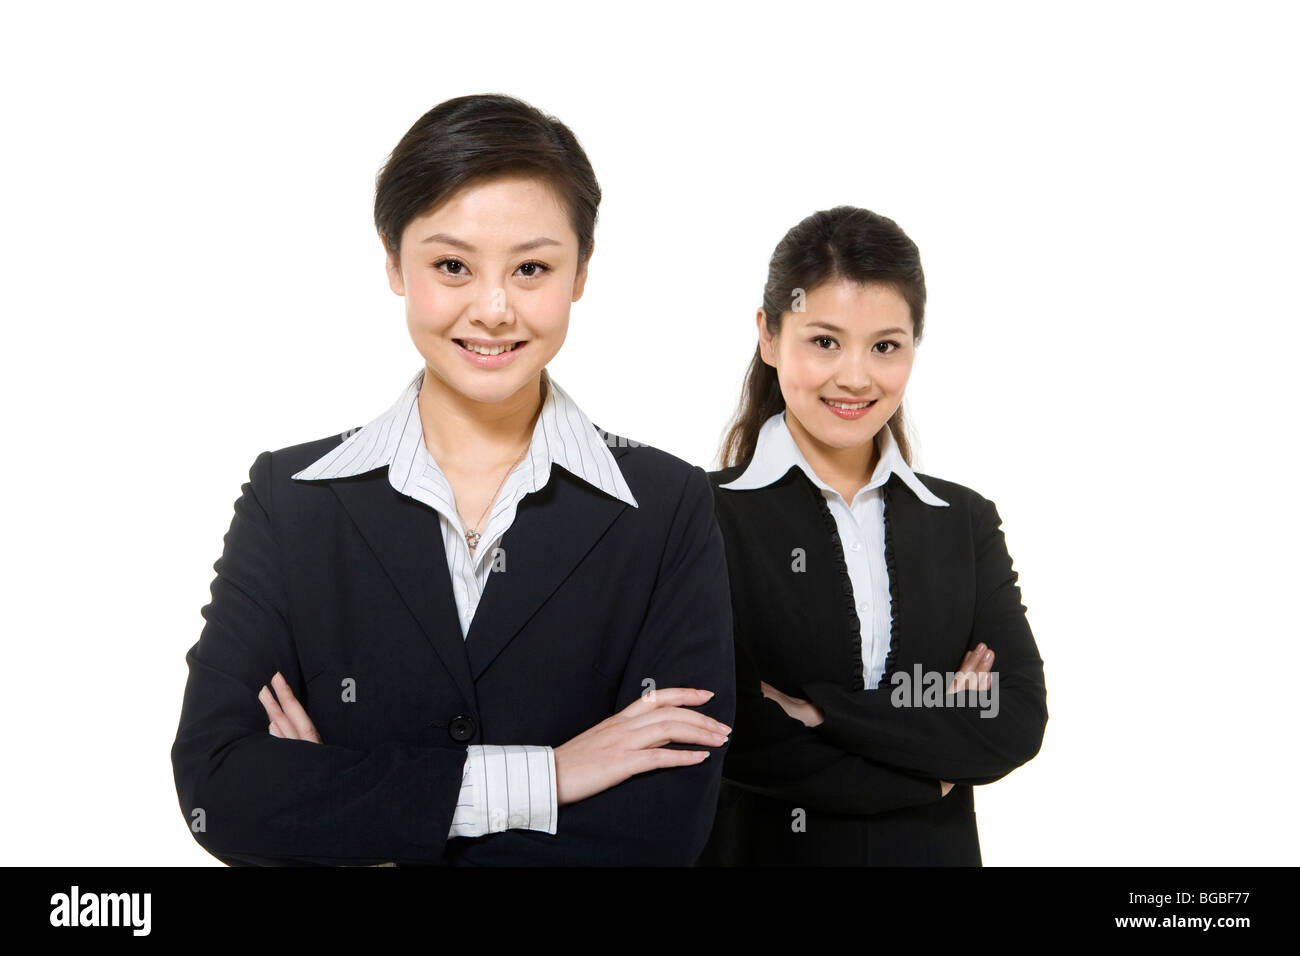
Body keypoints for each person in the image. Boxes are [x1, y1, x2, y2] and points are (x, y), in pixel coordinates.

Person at [170, 93, 735, 866]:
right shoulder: (292, 499)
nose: (494, 309)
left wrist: (348, 820)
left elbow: (661, 830)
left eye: (532, 268)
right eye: (452, 266)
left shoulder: (667, 505)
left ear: (582, 272)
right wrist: (552, 774)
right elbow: (220, 788)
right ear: (394, 263)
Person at [697, 206, 1047, 865]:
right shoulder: (698, 514)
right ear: (769, 338)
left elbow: (1016, 720)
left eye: (885, 345)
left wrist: (818, 713)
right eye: (824, 341)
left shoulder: (963, 520)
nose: (856, 377)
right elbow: (733, 733)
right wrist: (936, 761)